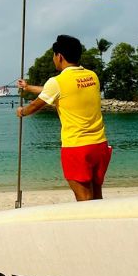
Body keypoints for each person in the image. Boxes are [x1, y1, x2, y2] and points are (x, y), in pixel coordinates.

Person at [16, 34, 112, 202]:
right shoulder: (92, 76)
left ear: (59, 56)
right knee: (96, 196)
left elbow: (35, 106)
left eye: (54, 55)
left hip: (77, 147)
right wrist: (28, 87)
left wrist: (22, 111)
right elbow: (57, 91)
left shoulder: (57, 81)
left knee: (84, 198)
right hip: (99, 146)